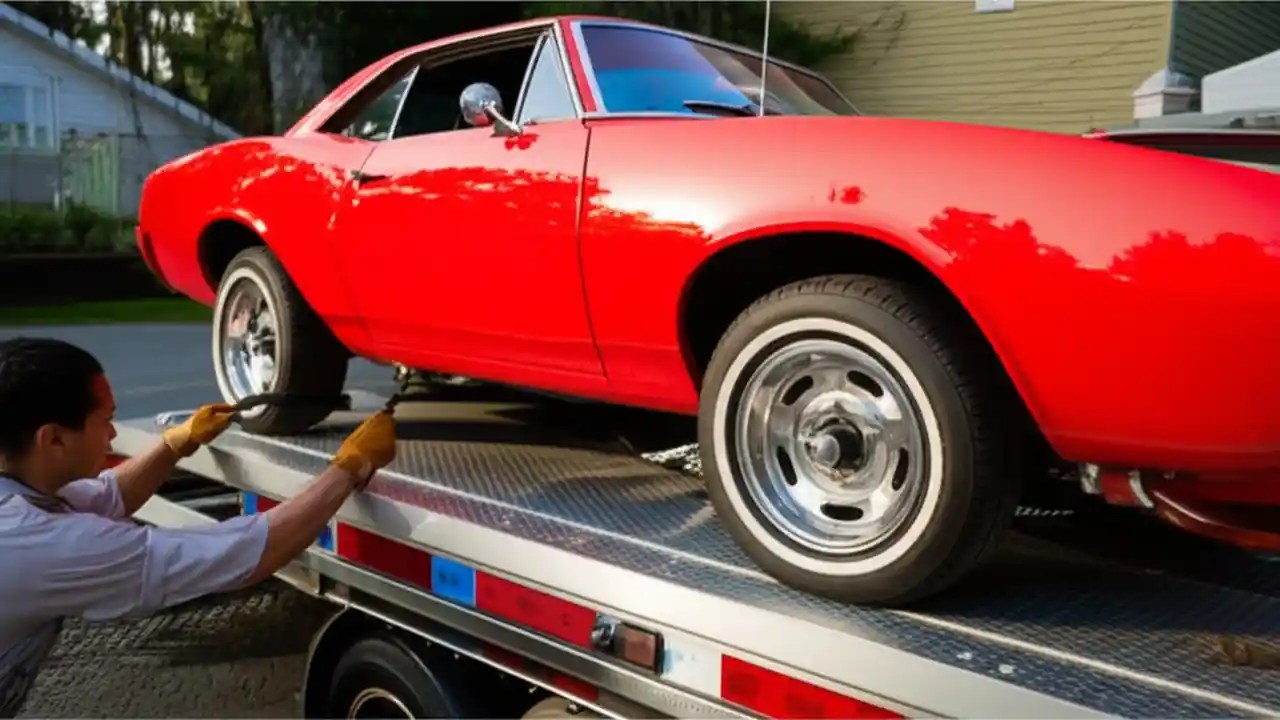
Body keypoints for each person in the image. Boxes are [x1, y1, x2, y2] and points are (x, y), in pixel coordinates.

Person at [0, 337, 397, 718]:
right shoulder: (38, 545)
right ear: (52, 439)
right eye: (106, 421)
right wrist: (349, 469)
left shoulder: (19, 493)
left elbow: (105, 497)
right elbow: (245, 553)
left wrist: (175, 444)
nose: (114, 434)